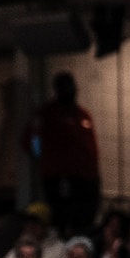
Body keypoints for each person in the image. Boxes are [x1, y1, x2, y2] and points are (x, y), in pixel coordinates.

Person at [23, 71, 100, 235]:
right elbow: (32, 141)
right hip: (59, 178)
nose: (69, 90)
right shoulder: (45, 115)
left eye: (71, 86)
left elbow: (91, 147)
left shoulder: (83, 115)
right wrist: (44, 158)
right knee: (62, 217)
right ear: (57, 90)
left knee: (85, 218)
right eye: (64, 87)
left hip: (86, 178)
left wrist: (94, 174)